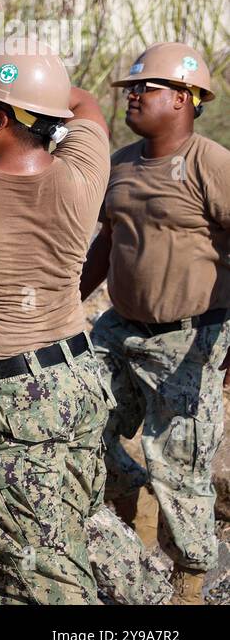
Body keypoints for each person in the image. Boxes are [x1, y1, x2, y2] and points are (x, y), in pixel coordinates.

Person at [0, 38, 168, 605]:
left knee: (31, 570)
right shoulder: (83, 172)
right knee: (73, 514)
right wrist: (34, 87)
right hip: (77, 375)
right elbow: (86, 104)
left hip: (20, 399)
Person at [80, 42, 230, 605]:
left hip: (191, 337)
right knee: (79, 422)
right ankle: (126, 529)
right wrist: (67, 302)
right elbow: (107, 241)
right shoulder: (119, 165)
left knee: (181, 465)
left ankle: (189, 582)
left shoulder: (210, 163)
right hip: (119, 328)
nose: (135, 96)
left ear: (187, 99)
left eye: (148, 88)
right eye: (131, 89)